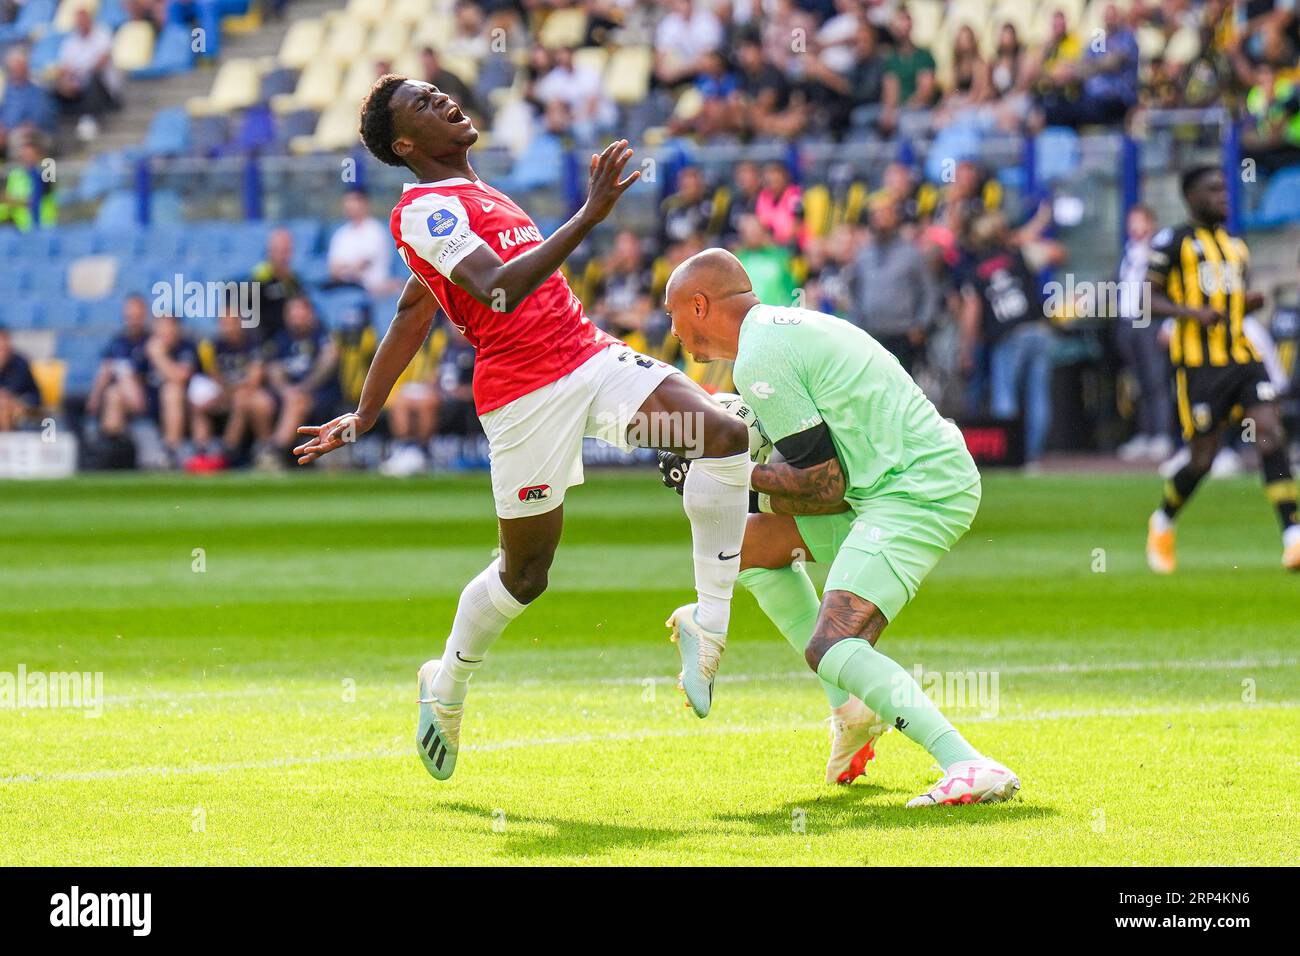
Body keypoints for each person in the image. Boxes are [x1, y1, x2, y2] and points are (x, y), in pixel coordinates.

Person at [293, 75, 752, 782]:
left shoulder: (480, 193)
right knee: (527, 574)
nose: (443, 98)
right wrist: (590, 215)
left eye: (436, 90)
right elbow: (499, 290)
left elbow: (416, 307)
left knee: (722, 435)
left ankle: (708, 626)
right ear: (405, 144)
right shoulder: (423, 209)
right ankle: (446, 682)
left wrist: (364, 412)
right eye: (422, 103)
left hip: (587, 353)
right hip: (524, 397)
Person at [656, 248, 1020, 806]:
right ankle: (851, 707)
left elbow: (822, 487)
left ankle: (967, 763)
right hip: (883, 485)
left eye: (672, 312)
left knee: (833, 644)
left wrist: (726, 473)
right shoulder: (778, 333)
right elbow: (824, 479)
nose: (671, 327)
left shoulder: (760, 358)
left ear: (699, 304)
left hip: (916, 490)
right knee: (748, 546)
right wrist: (741, 480)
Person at [1144, 165, 1300, 572]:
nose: (1223, 197)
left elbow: (1231, 296)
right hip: (1199, 367)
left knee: (1270, 431)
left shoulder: (1236, 246)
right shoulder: (1173, 241)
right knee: (1202, 459)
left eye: (1225, 189)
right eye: (1213, 190)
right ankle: (1163, 520)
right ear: (1192, 197)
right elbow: (1148, 299)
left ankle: (1293, 536)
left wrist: (1246, 304)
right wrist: (1190, 313)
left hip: (1243, 358)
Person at [959, 211, 1062, 465]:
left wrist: (966, 350)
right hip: (1038, 329)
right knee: (1038, 396)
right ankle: (1032, 457)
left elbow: (971, 314)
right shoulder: (1018, 255)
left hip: (1008, 337)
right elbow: (1058, 253)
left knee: (1005, 397)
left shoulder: (975, 272)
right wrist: (1022, 240)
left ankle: (1009, 455)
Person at [849, 196, 937, 373]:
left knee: (901, 387)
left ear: (895, 218)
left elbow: (928, 291)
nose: (880, 221)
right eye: (876, 216)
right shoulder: (863, 255)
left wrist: (921, 323)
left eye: (885, 215)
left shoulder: (911, 254)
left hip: (903, 334)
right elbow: (855, 291)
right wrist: (857, 324)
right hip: (871, 333)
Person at [1114, 204, 1173, 463]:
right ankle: (1144, 434)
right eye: (1131, 222)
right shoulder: (1129, 254)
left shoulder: (1160, 252)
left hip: (1150, 322)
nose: (1134, 228)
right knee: (1137, 383)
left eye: (1138, 222)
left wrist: (1170, 324)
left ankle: (1162, 435)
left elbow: (1172, 289)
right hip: (1128, 323)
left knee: (1156, 380)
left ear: (1151, 223)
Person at [186, 306, 267, 471]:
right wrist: (221, 394)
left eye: (232, 322)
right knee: (199, 403)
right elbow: (211, 376)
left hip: (245, 394)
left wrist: (228, 392)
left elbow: (254, 379)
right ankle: (202, 451)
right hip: (225, 394)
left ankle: (228, 452)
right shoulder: (213, 346)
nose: (229, 327)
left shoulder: (253, 342)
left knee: (244, 399)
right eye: (224, 323)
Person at [264, 295, 339, 469]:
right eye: (291, 312)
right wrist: (285, 389)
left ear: (310, 313)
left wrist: (303, 388)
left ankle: (276, 452)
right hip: (287, 394)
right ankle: (261, 448)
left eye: (299, 311)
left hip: (320, 394)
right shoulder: (282, 339)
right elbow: (274, 370)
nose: (295, 316)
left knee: (297, 402)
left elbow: (328, 363)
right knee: (259, 402)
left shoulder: (323, 335)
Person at [86, 294, 150, 440]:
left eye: (137, 316)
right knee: (113, 393)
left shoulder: (151, 341)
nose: (133, 320)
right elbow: (105, 368)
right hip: (121, 397)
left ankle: (111, 443)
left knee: (122, 375)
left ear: (144, 315)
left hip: (147, 396)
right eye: (130, 316)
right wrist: (95, 397)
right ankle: (112, 443)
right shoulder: (118, 342)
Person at [327, 190, 397, 295]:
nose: (350, 206)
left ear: (364, 204)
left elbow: (363, 265)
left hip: (370, 288)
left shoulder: (375, 230)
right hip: (343, 286)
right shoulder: (341, 233)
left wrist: (345, 268)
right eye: (347, 202)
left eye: (354, 201)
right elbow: (333, 269)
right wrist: (350, 268)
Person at [0, 325, 41, 430]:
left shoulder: (20, 362)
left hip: (22, 403)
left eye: (5, 341)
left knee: (6, 406)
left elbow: (16, 391)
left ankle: (7, 441)